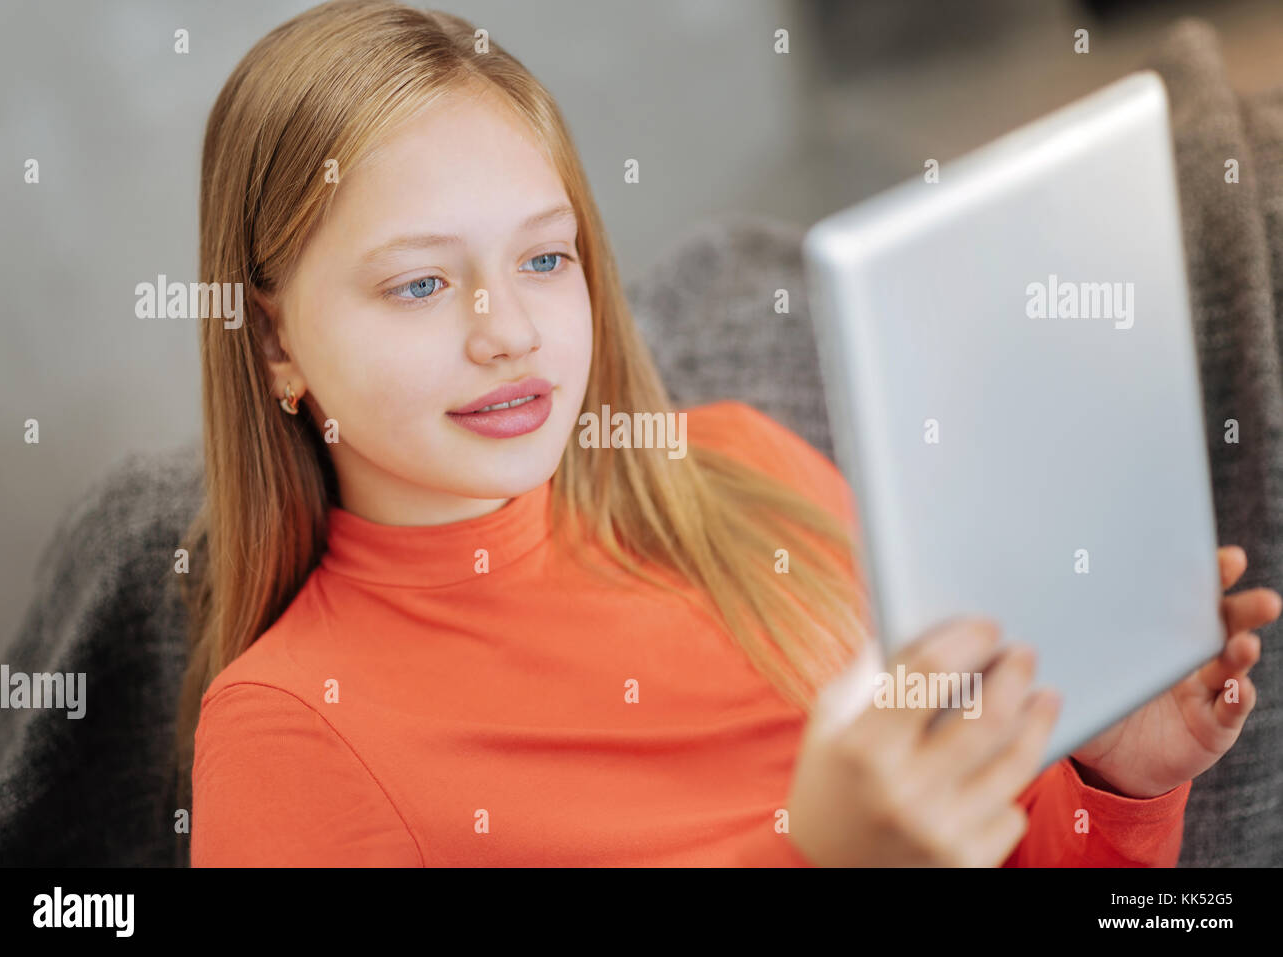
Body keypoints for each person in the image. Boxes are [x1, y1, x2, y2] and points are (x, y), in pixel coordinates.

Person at [179, 0, 1279, 867]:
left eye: (544, 259)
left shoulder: (746, 471)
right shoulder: (286, 731)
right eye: (420, 284)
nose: (506, 331)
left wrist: (1113, 781)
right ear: (271, 340)